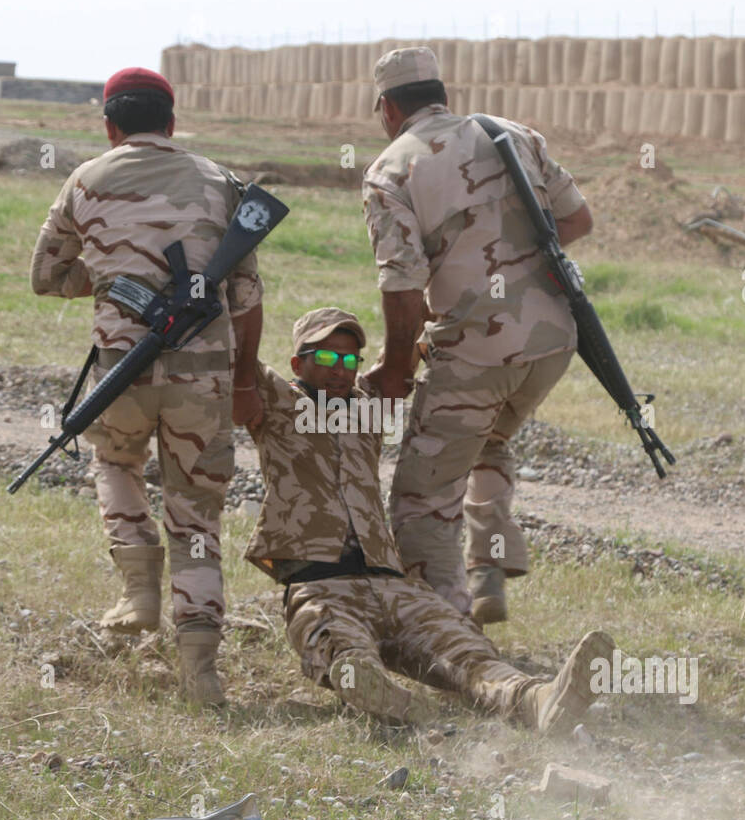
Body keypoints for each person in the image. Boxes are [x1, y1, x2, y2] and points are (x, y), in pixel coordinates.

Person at [243, 306, 613, 731]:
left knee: (466, 650)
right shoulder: (276, 401)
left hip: (392, 584)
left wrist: (432, 289)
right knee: (340, 646)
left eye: (348, 360)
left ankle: (537, 700)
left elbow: (404, 351)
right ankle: (385, 698)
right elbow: (233, 349)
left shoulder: (368, 405)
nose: (339, 370)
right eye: (326, 358)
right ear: (297, 363)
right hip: (322, 585)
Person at [30, 66, 265, 705]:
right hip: (205, 378)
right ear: (171, 121)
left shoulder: (85, 180)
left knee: (112, 460)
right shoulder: (221, 182)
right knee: (196, 517)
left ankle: (138, 590)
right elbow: (244, 297)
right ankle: (202, 671)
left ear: (109, 126)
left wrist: (107, 276)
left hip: (121, 374)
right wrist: (245, 381)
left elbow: (47, 275)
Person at [361, 47, 594, 627]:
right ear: (442, 93)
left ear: (387, 108)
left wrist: (395, 370)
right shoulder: (511, 133)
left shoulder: (391, 169)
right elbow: (577, 221)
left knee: (422, 502)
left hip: (475, 355)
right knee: (487, 439)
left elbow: (403, 285)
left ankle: (446, 634)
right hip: (551, 343)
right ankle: (489, 566)